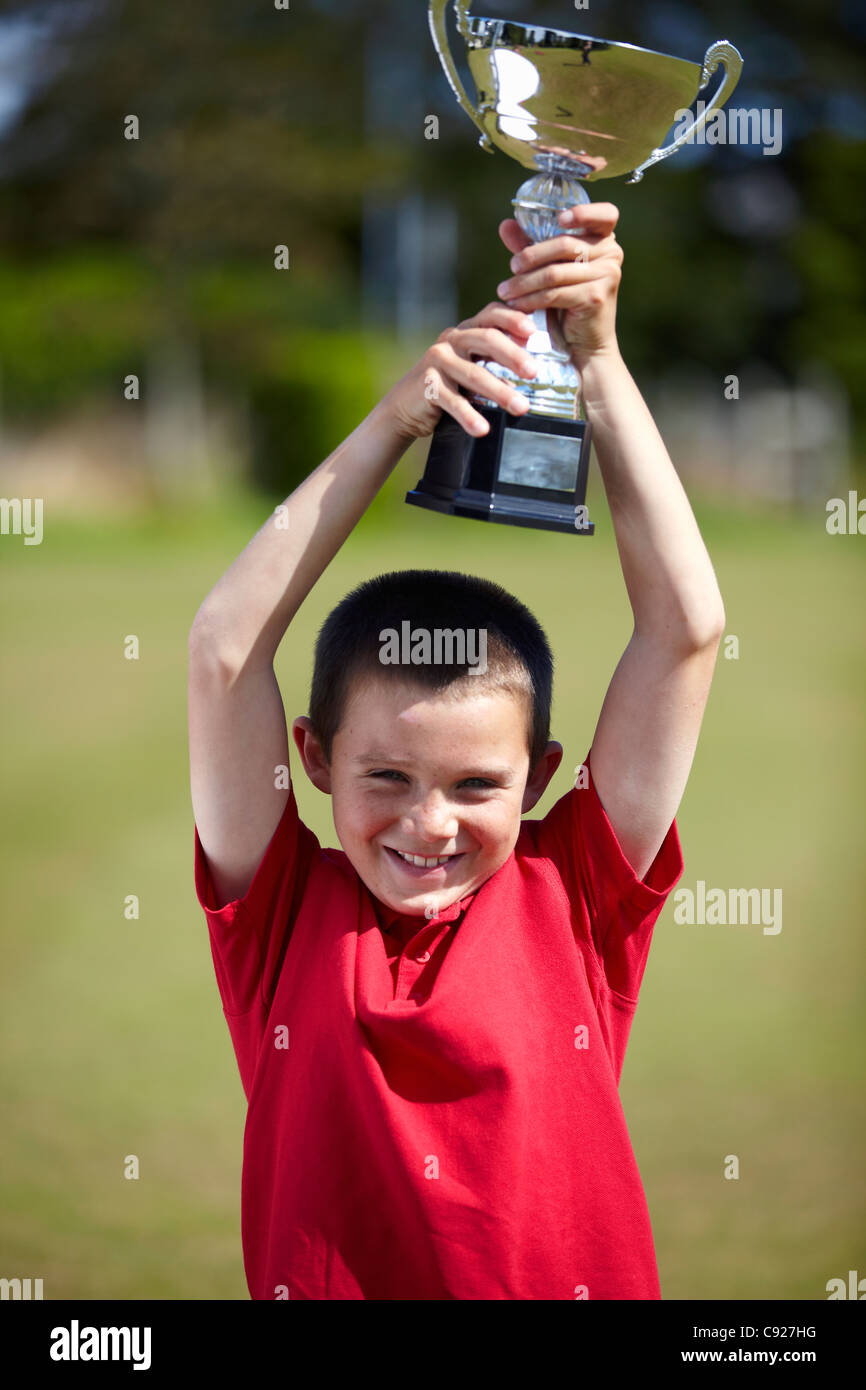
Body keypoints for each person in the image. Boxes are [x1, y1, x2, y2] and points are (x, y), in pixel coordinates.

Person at [188, 201, 725, 1300]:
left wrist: (597, 362)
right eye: (386, 775)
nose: (428, 823)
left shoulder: (573, 891)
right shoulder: (282, 915)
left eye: (478, 785)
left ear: (539, 774)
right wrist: (392, 422)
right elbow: (222, 653)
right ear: (316, 757)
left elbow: (685, 628)